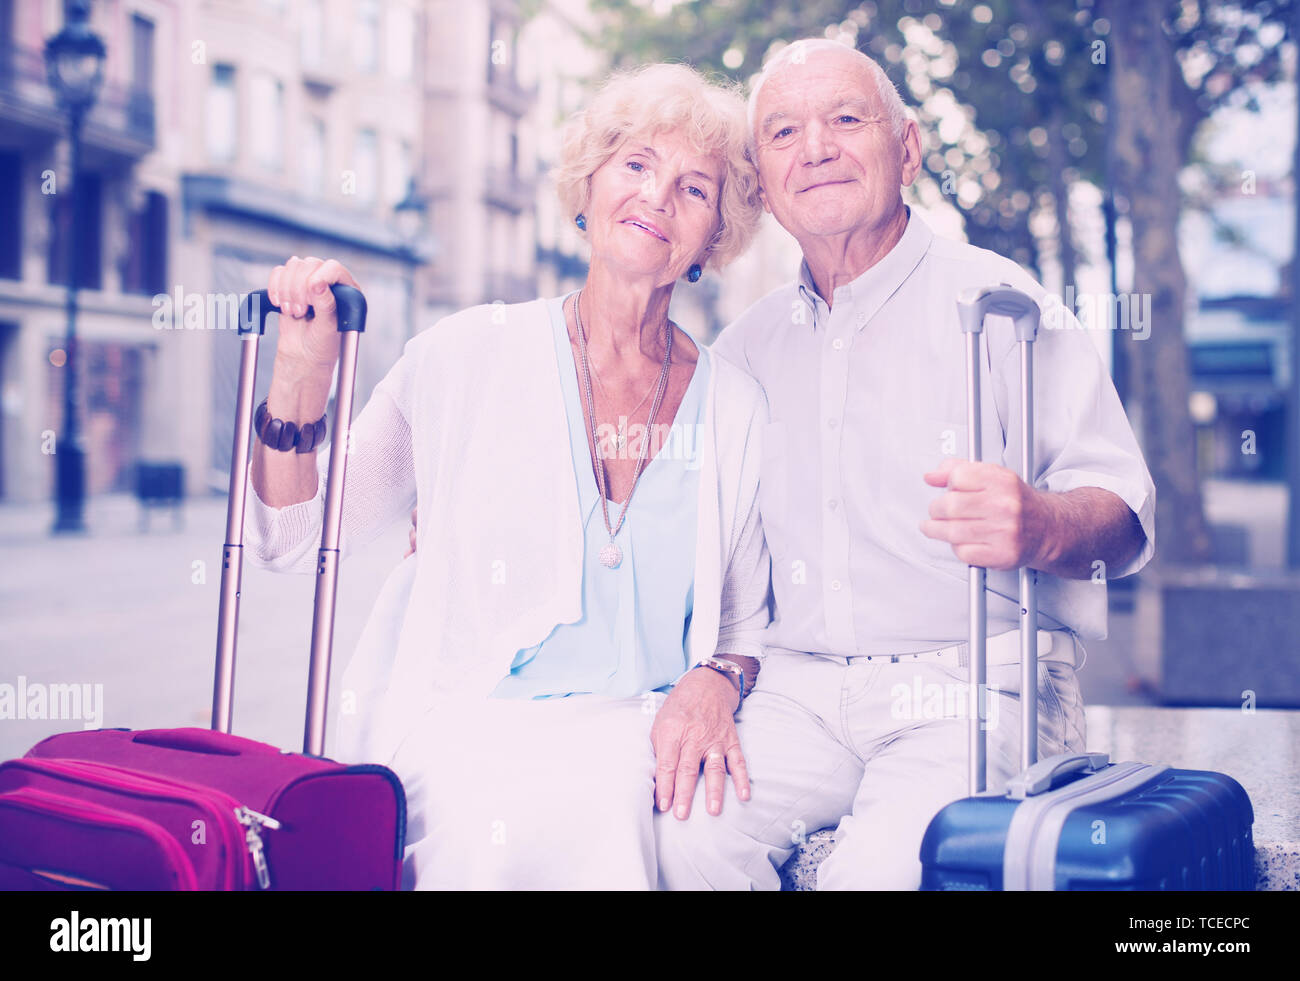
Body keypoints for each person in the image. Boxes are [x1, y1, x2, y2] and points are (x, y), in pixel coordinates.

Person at [243, 63, 771, 889]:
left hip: (638, 730)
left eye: (693, 187)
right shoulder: (467, 353)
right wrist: (299, 382)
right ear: (586, 190)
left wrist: (717, 676)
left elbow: (741, 623)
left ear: (715, 236)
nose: (657, 197)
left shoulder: (735, 404)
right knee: (505, 829)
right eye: (635, 165)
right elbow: (293, 538)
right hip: (469, 721)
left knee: (639, 811)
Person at [652, 39, 1156, 890]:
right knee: (682, 839)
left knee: (879, 873)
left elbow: (1128, 518)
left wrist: (1043, 523)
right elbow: (701, 541)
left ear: (908, 148)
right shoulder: (743, 352)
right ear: (762, 182)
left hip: (974, 684)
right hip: (798, 693)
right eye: (783, 133)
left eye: (846, 120)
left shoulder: (1003, 305)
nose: (815, 147)